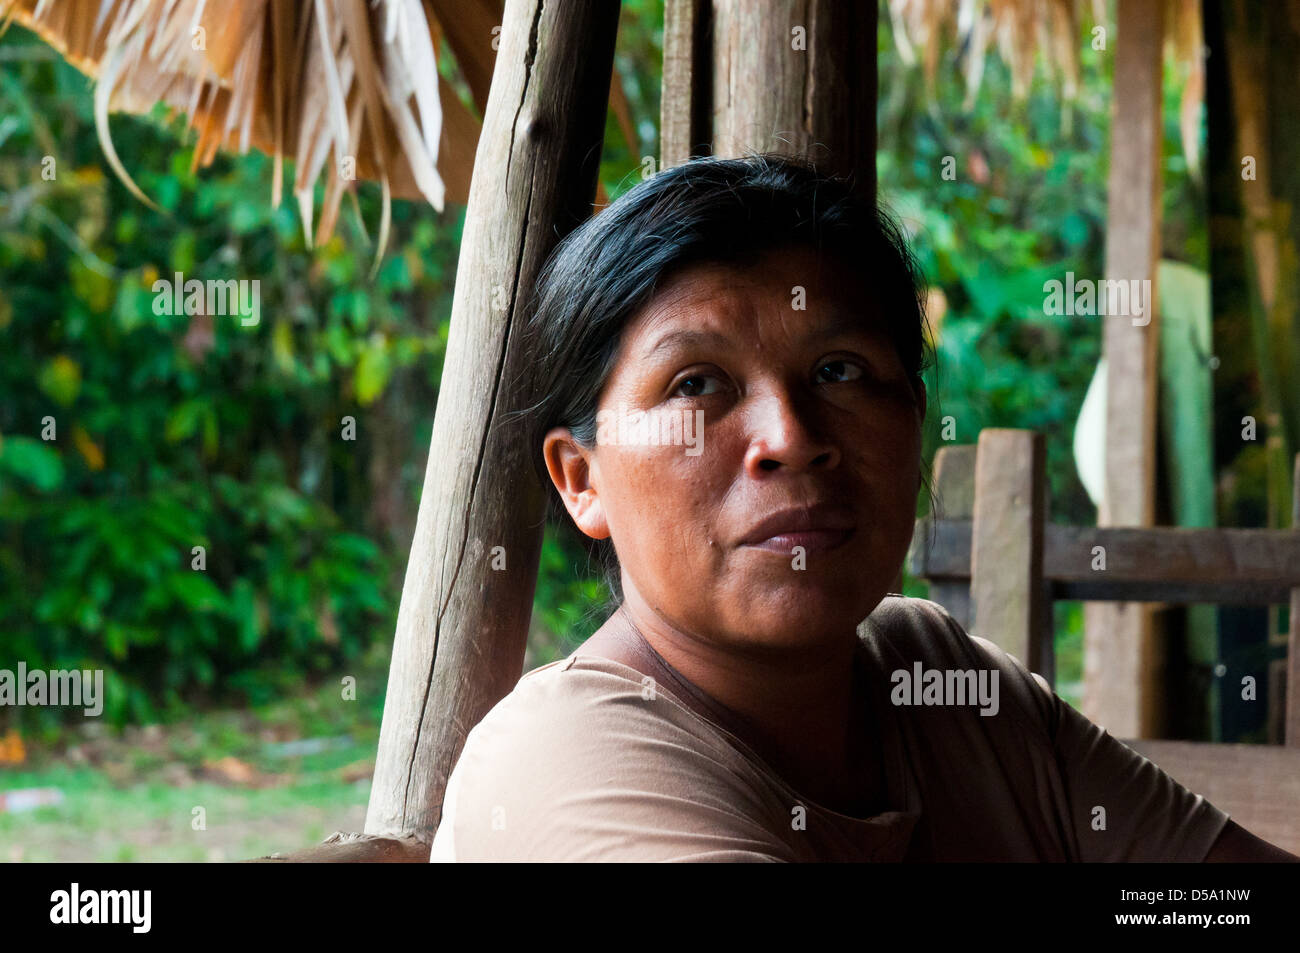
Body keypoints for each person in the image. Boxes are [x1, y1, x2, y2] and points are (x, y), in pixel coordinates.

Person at [429, 154, 1295, 862]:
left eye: (839, 370)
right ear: (581, 477)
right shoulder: (564, 761)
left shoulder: (946, 685)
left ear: (914, 420)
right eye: (695, 382)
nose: (791, 436)